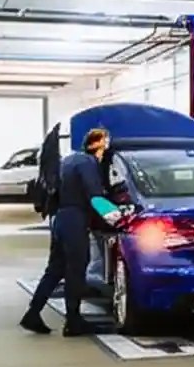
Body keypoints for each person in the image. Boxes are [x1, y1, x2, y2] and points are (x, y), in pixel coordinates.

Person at [21, 128, 127, 337]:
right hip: (75, 219)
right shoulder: (88, 164)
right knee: (76, 270)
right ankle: (73, 321)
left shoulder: (69, 160)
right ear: (96, 145)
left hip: (60, 219)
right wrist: (117, 217)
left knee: (55, 269)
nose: (105, 150)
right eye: (104, 144)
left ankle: (33, 313)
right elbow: (95, 196)